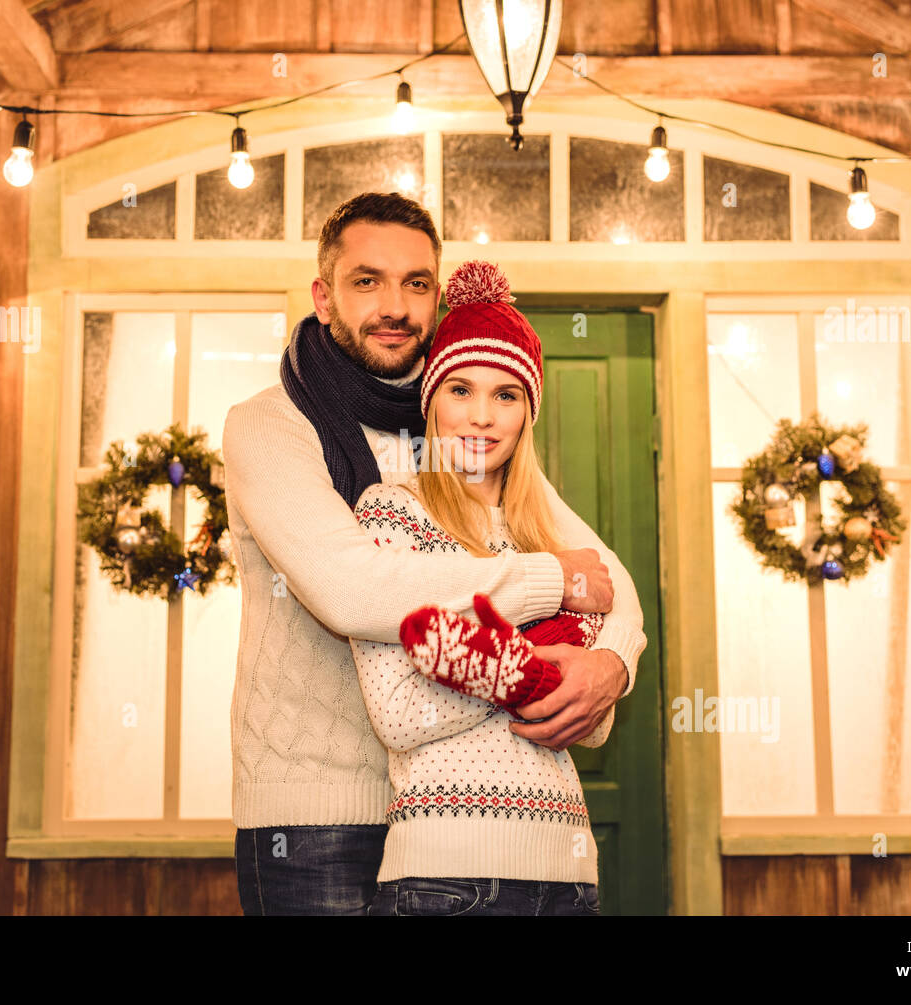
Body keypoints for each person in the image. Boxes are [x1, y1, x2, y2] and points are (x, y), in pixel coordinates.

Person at [222, 192, 647, 916]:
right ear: (324, 296)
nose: (395, 305)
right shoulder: (271, 425)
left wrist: (613, 663)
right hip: (314, 810)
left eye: (417, 283)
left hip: (455, 814)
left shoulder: (458, 425)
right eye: (367, 280)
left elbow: (605, 574)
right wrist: (549, 585)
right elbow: (352, 587)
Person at [353, 260, 610, 916]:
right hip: (446, 873)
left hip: (567, 867)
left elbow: (596, 721)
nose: (482, 416)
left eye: (506, 395)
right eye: (461, 389)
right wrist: (534, 674)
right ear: (431, 398)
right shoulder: (392, 513)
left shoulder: (550, 536)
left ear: (527, 412)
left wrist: (496, 666)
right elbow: (400, 715)